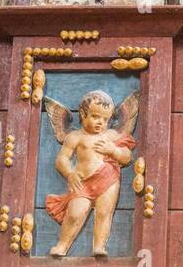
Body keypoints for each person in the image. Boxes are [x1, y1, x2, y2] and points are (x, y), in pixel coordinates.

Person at [45, 90, 136, 257]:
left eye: (105, 119)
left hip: (108, 180)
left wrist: (114, 150)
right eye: (95, 116)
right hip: (83, 183)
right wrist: (70, 173)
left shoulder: (111, 135)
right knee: (75, 212)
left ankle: (99, 246)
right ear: (83, 114)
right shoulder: (75, 137)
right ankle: (62, 245)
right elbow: (62, 160)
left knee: (104, 213)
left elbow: (127, 156)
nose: (100, 122)